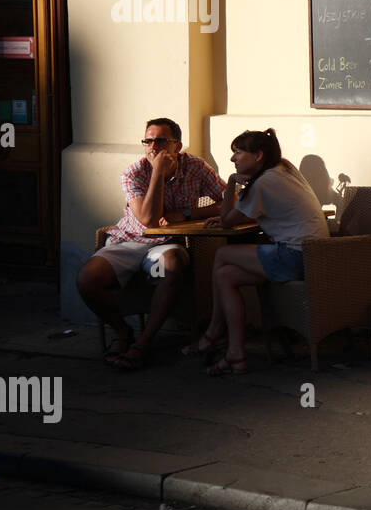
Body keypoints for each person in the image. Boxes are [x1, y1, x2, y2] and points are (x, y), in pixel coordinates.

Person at [77, 118, 225, 370]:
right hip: (129, 240)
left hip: (166, 244)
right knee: (86, 280)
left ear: (177, 146)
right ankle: (123, 332)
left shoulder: (195, 167)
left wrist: (186, 215)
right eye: (148, 140)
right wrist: (157, 172)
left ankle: (143, 343)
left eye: (160, 140)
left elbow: (229, 203)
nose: (153, 146)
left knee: (172, 263)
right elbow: (148, 220)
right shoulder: (134, 172)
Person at [193, 128, 329, 376]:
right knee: (226, 276)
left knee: (222, 255)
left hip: (294, 256)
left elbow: (226, 221)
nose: (232, 159)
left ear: (258, 156)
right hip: (313, 257)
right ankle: (236, 353)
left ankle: (213, 330)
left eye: (237, 153)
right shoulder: (283, 168)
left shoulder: (264, 183)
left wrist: (233, 182)